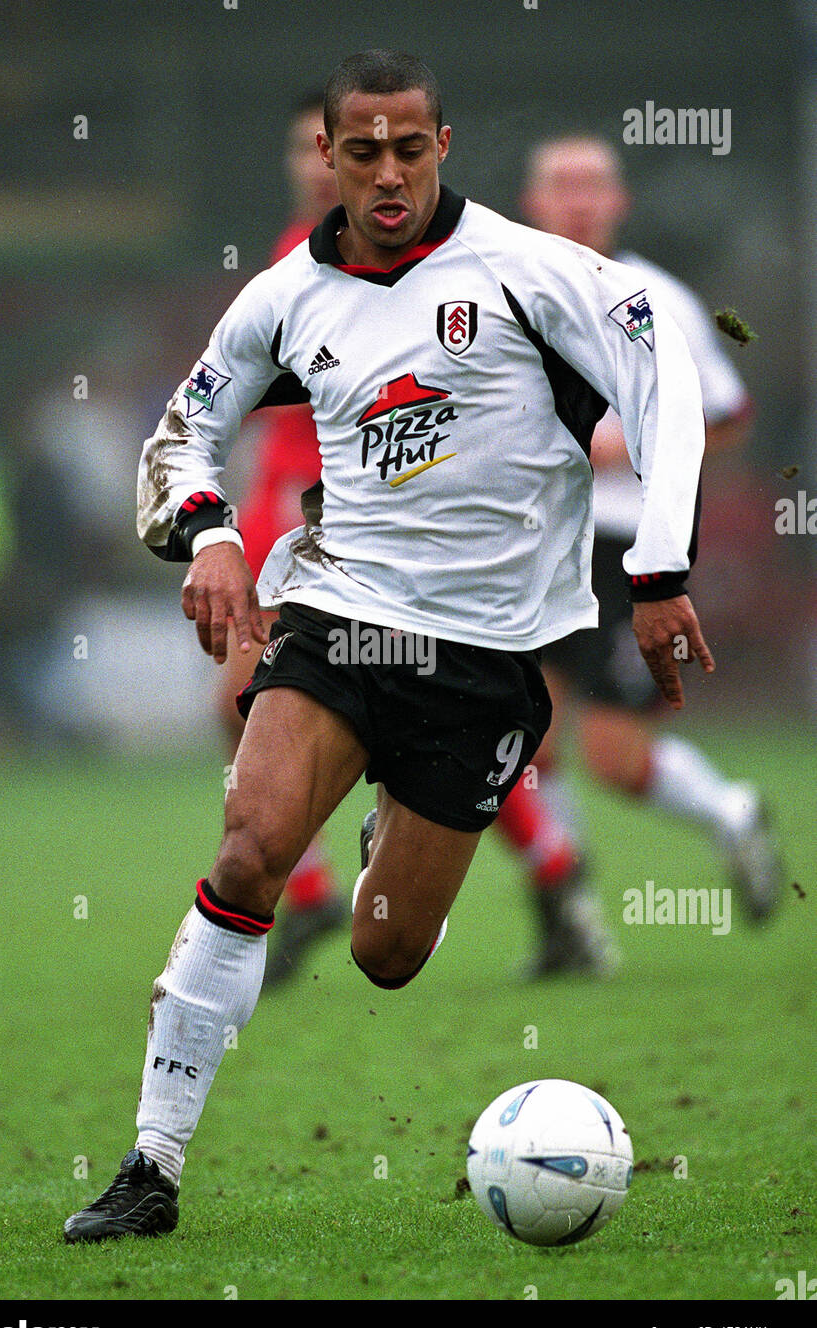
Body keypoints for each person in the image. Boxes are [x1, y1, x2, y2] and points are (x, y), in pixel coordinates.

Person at [65, 50, 712, 1243]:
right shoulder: (281, 294)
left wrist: (659, 572)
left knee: (386, 954)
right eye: (359, 152)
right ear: (328, 156)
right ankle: (150, 1164)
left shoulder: (531, 271)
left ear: (441, 148)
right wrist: (206, 538)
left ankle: (389, 842)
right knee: (252, 847)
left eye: (407, 149)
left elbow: (660, 377)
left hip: (487, 657)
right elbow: (182, 429)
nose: (385, 173)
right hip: (339, 614)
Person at [515, 134, 781, 966]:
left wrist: (622, 440)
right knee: (514, 737)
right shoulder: (503, 290)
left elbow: (728, 413)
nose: (578, 200)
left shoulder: (652, 297)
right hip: (527, 544)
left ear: (618, 201)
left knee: (609, 755)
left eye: (593, 184)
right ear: (533, 202)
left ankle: (730, 812)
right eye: (561, 184)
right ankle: (569, 921)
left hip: (623, 547)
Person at [217, 93, 347, 986]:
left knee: (409, 712)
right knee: (240, 706)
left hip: (337, 514)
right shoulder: (286, 257)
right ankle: (308, 889)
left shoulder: (385, 265)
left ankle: (310, 890)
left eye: (325, 147)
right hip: (277, 512)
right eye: (300, 147)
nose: (312, 163)